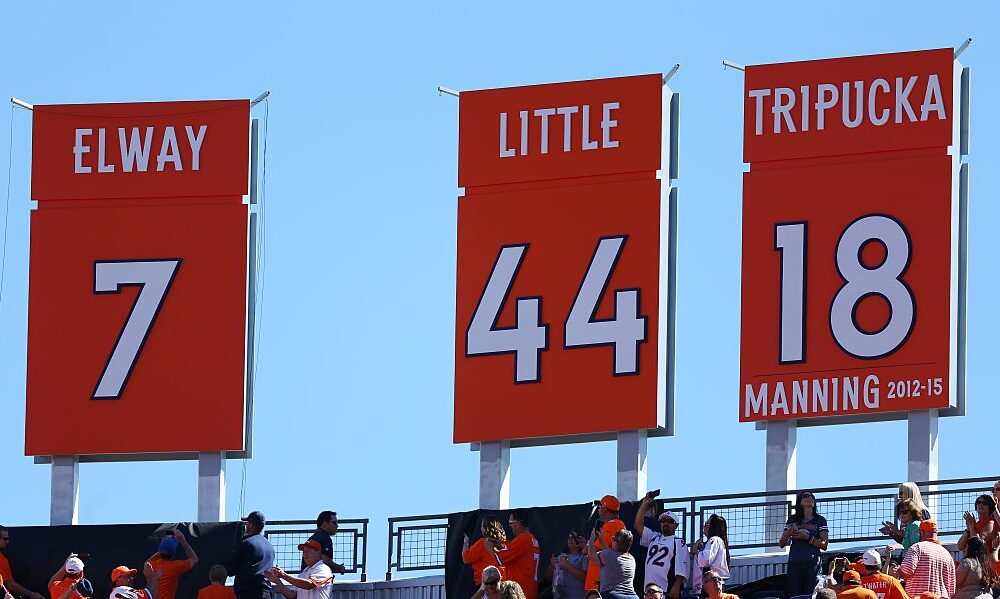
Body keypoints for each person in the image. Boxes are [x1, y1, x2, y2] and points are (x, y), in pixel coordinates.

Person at [634, 493, 688, 599]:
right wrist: (644, 505)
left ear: (676, 525)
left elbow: (682, 566)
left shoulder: (678, 541)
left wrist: (677, 586)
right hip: (649, 591)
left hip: (665, 590)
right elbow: (638, 525)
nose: (665, 523)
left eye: (670, 521)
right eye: (663, 521)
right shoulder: (654, 536)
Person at [780, 491, 830, 599]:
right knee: (794, 595)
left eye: (812, 496)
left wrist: (808, 537)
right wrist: (787, 534)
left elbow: (824, 545)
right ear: (800, 502)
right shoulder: (793, 519)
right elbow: (781, 544)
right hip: (795, 562)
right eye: (806, 496)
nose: (810, 498)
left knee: (810, 594)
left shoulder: (820, 520)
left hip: (812, 564)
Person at [892, 520, 955, 599]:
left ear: (922, 532)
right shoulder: (947, 555)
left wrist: (898, 571)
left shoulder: (917, 547)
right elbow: (951, 589)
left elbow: (907, 570)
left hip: (919, 596)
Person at [227, 511, 275, 599]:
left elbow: (231, 570)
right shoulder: (270, 546)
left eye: (247, 522)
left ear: (252, 525)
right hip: (266, 592)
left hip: (249, 592)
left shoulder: (246, 542)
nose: (246, 525)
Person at [586, 497, 627, 591]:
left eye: (600, 506)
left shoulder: (612, 524)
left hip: (600, 581)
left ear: (606, 509)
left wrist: (591, 540)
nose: (599, 509)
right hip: (604, 580)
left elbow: (591, 551)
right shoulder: (615, 524)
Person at [268, 540, 333, 599]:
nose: (305, 554)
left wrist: (283, 575)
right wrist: (277, 581)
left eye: (308, 551)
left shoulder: (323, 568)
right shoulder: (303, 573)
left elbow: (308, 585)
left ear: (318, 552)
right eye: (304, 552)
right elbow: (292, 596)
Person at [587, 528, 638, 599]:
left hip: (612, 595)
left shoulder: (607, 555)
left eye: (613, 539)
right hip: (633, 596)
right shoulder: (631, 559)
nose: (612, 539)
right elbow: (612, 555)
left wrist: (592, 538)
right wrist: (602, 540)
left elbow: (591, 555)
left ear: (616, 543)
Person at [148, 529, 199, 599]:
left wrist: (164, 547)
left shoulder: (150, 565)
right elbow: (194, 559)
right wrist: (183, 541)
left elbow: (149, 560)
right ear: (173, 553)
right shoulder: (175, 566)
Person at [503, 510, 541, 599]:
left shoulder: (523, 539)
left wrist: (489, 546)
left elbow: (500, 559)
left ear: (518, 523)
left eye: (511, 523)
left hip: (519, 592)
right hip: (529, 589)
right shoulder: (532, 539)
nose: (510, 526)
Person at [0, 527, 44, 599]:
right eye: (5, 539)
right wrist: (32, 595)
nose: (7, 541)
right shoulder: (1, 559)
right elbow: (10, 585)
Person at [463, 517, 508, 586]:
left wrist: (466, 542)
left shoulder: (483, 543)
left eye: (481, 526)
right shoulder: (505, 544)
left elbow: (466, 558)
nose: (480, 528)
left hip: (486, 582)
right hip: (502, 580)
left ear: (485, 528)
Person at [693, 515, 730, 595]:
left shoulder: (714, 540)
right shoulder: (719, 541)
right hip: (717, 584)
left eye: (706, 524)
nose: (704, 527)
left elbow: (705, 560)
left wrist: (696, 551)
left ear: (713, 527)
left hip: (712, 584)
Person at [545, 531, 588, 599]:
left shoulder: (584, 557)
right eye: (569, 538)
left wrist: (567, 566)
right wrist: (552, 566)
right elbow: (548, 578)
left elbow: (585, 577)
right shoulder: (560, 557)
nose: (570, 540)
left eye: (574, 538)